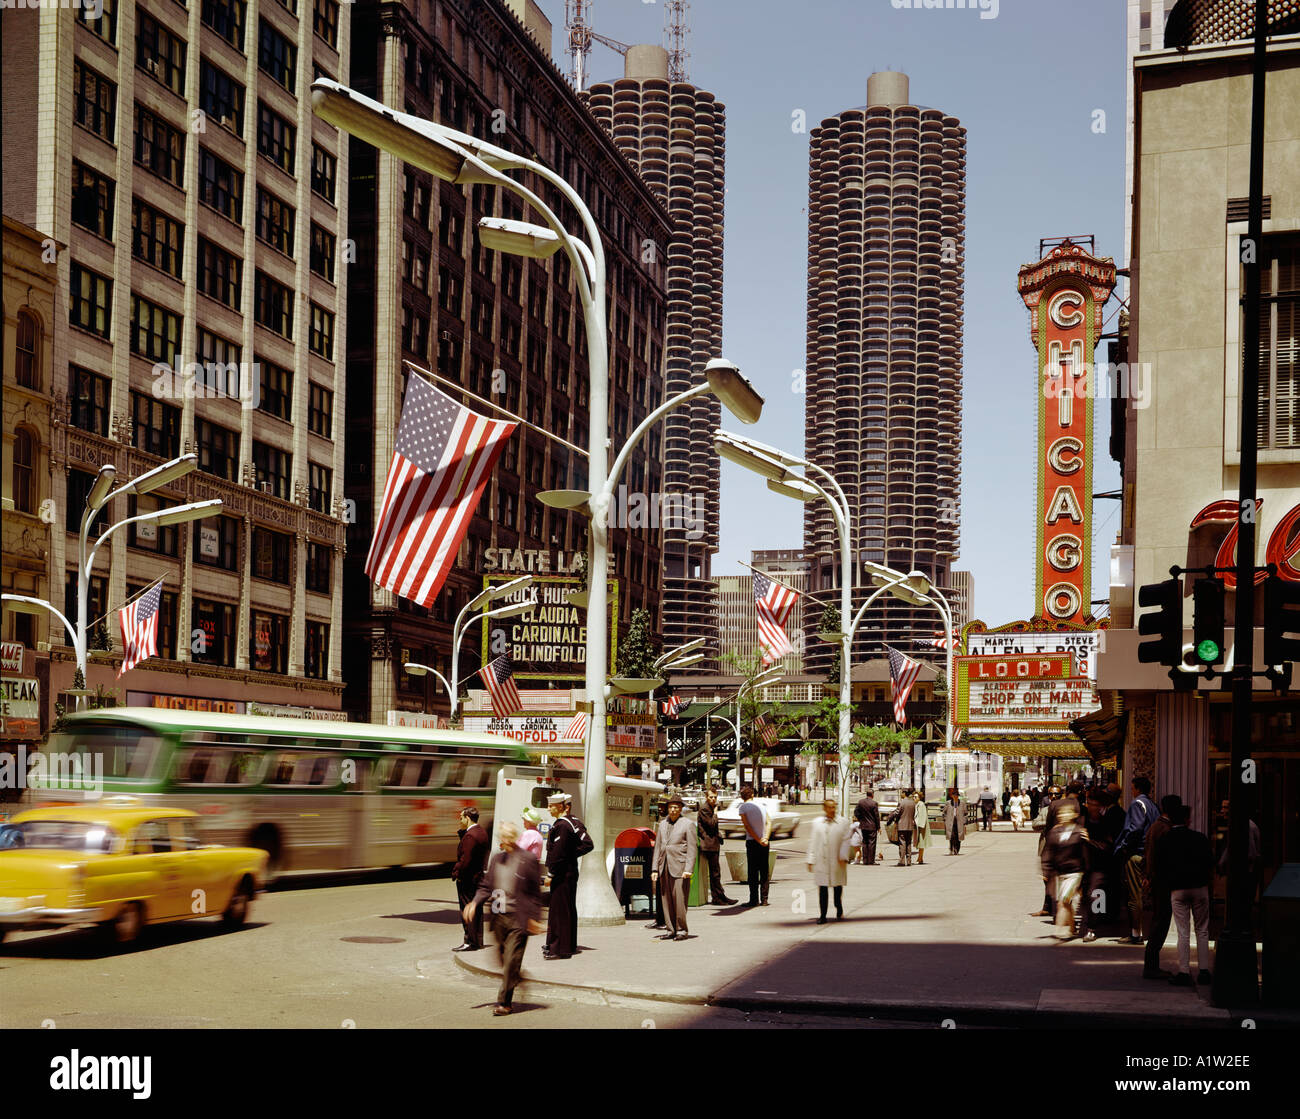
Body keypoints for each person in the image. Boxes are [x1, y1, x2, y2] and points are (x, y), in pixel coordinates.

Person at [465, 821, 543, 1016]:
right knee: (501, 960)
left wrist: (534, 917)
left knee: (510, 961)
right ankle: (516, 976)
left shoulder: (527, 859)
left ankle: (505, 1002)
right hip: (498, 917)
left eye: (509, 837)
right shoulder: (497, 859)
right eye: (502, 837)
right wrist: (474, 903)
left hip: (519, 918)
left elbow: (535, 891)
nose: (505, 841)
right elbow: (486, 886)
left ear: (515, 837)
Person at [1156, 805, 1215, 986]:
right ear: (1187, 820)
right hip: (1199, 887)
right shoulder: (1199, 838)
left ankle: (1184, 971)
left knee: (1183, 932)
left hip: (1178, 889)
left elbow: (1162, 867)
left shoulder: (1166, 839)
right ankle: (1204, 970)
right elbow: (1210, 862)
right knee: (1202, 930)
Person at [543, 791, 592, 960]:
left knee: (559, 911)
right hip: (569, 872)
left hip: (561, 874)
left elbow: (558, 853)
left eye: (551, 806)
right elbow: (586, 845)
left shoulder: (562, 825)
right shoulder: (574, 822)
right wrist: (572, 855)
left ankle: (559, 948)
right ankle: (566, 943)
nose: (548, 809)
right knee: (568, 909)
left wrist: (551, 873)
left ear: (562, 807)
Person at [1114, 776, 1160, 944]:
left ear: (1138, 789)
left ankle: (1135, 933)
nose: (1131, 791)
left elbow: (1135, 829)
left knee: (1134, 896)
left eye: (1132, 788)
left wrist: (1124, 847)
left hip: (1136, 854)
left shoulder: (1137, 804)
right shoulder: (1152, 805)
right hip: (1148, 854)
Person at [1138, 794, 1181, 973]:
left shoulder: (1157, 826)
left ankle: (1151, 964)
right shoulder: (1164, 829)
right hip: (1161, 881)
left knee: (1159, 921)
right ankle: (1151, 965)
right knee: (1160, 922)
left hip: (1156, 879)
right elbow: (1159, 857)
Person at [1041, 801, 1088, 941]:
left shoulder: (1079, 832)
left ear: (1074, 815)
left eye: (1067, 813)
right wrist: (1046, 870)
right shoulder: (1055, 831)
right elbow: (1048, 852)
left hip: (1076, 873)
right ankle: (1073, 927)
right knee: (1066, 902)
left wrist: (1087, 874)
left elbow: (1085, 855)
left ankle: (1060, 929)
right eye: (1061, 813)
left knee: (1063, 901)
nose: (1063, 816)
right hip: (1060, 873)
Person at [652, 795, 697, 940]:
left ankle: (681, 930)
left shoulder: (688, 824)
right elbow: (658, 847)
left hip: (680, 866)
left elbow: (692, 848)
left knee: (679, 900)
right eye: (670, 807)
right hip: (663, 865)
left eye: (676, 807)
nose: (673, 810)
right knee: (666, 900)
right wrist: (654, 869)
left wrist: (689, 869)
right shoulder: (662, 824)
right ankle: (670, 929)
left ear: (681, 808)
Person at [806, 798, 851, 922]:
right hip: (822, 860)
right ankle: (823, 915)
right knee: (822, 888)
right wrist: (810, 859)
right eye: (829, 807)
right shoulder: (817, 823)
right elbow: (813, 841)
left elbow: (846, 840)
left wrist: (843, 855)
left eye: (834, 807)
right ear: (824, 808)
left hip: (837, 860)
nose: (832, 810)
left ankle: (839, 908)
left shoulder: (843, 822)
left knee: (837, 887)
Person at [451, 806, 489, 952]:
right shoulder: (481, 832)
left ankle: (470, 941)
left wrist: (456, 872)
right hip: (478, 876)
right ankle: (477, 940)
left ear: (467, 818)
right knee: (476, 910)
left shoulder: (470, 836)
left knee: (467, 909)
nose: (459, 820)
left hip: (468, 879)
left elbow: (465, 859)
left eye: (461, 818)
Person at [696, 789, 736, 905]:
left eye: (715, 797)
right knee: (714, 873)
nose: (713, 799)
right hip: (708, 845)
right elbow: (711, 824)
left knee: (716, 873)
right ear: (706, 798)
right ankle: (717, 898)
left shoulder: (709, 808)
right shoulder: (705, 809)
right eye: (711, 797)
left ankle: (720, 896)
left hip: (713, 843)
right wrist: (715, 813)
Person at [738, 785, 771, 906]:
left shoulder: (742, 808)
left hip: (752, 842)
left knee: (752, 871)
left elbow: (747, 826)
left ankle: (754, 899)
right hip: (764, 842)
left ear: (742, 797)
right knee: (764, 870)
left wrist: (758, 839)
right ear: (752, 795)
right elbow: (769, 821)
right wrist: (765, 838)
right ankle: (765, 899)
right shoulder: (761, 806)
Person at [853, 786, 880, 868]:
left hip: (863, 826)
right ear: (872, 795)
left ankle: (865, 860)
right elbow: (876, 816)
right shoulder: (874, 803)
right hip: (872, 826)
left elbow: (856, 812)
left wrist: (861, 819)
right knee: (872, 843)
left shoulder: (861, 802)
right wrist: (878, 827)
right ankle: (871, 860)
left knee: (865, 843)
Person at [891, 788, 918, 867]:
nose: (900, 794)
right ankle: (909, 860)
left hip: (902, 826)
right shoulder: (913, 803)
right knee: (909, 843)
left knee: (902, 843)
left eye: (901, 793)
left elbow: (897, 813)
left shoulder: (902, 802)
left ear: (904, 793)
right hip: (910, 826)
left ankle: (902, 861)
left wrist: (892, 817)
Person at [942, 790, 966, 855]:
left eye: (957, 796)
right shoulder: (948, 803)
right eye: (954, 795)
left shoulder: (962, 803)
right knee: (951, 836)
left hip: (959, 822)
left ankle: (957, 849)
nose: (955, 797)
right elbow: (944, 812)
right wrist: (945, 820)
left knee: (958, 836)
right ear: (952, 796)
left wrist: (964, 821)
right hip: (950, 821)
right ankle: (951, 849)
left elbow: (965, 813)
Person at [913, 792, 931, 864]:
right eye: (914, 797)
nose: (914, 798)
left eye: (916, 797)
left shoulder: (921, 804)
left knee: (921, 843)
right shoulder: (917, 804)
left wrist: (919, 824)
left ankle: (920, 858)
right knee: (919, 843)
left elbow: (923, 816)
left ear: (919, 798)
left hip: (921, 827)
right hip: (918, 826)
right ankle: (919, 858)